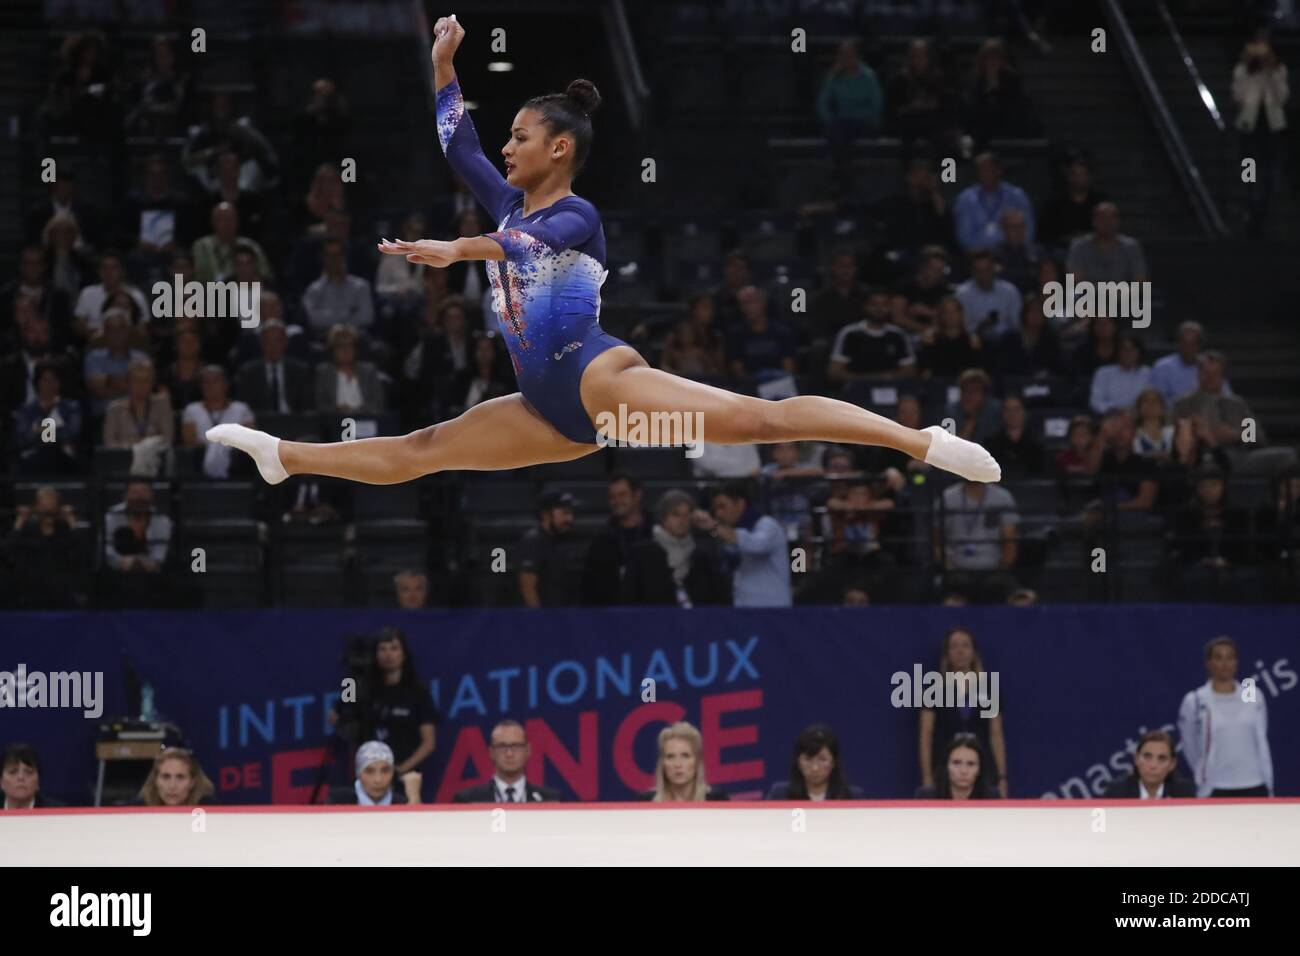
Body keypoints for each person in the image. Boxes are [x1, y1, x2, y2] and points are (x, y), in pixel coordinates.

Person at [206, 16, 1002, 492]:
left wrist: (459, 249)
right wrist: (445, 68)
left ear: (559, 147)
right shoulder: (506, 201)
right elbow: (459, 145)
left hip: (599, 376)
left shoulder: (574, 214)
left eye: (521, 137)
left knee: (760, 418)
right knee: (423, 452)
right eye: (508, 136)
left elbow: (524, 245)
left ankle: (920, 442)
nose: (507, 149)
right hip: (548, 410)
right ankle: (284, 456)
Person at [1177, 636, 1273, 797]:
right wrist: (1204, 770)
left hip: (1255, 783)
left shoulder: (1251, 693)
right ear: (1209, 663)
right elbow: (1189, 745)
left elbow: (1260, 736)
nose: (1225, 663)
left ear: (1236, 662)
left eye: (1230, 657)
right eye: (1218, 658)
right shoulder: (1195, 700)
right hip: (1214, 787)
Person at [917, 627, 1008, 794]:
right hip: (945, 769)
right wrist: (927, 778)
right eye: (954, 646)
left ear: (974, 652)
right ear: (947, 653)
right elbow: (926, 735)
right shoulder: (934, 687)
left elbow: (996, 735)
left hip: (981, 768)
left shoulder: (988, 687)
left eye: (966, 645)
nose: (960, 651)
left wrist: (1002, 777)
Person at [353, 628, 440, 777]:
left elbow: (429, 743)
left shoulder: (417, 691)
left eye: (394, 648)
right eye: (382, 649)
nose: (388, 654)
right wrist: (350, 675)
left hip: (403, 775)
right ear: (375, 655)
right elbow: (347, 709)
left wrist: (400, 769)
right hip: (367, 775)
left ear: (404, 654)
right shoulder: (364, 688)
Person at [621, 488, 729, 606]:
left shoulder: (702, 557)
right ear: (663, 518)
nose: (682, 520)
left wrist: (712, 527)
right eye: (676, 514)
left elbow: (720, 599)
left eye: (687, 515)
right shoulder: (641, 554)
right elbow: (629, 600)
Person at [695, 481, 791, 608]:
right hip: (744, 608)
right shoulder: (728, 532)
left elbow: (756, 545)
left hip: (772, 610)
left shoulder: (768, 525)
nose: (719, 514)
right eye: (716, 509)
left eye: (723, 507)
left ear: (740, 504)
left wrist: (714, 526)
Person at [1232, 34, 1289, 237]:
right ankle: (1250, 207)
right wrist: (1250, 69)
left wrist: (1271, 71)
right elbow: (1239, 96)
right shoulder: (1243, 70)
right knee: (1249, 172)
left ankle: (1262, 213)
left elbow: (1282, 97)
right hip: (1250, 129)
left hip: (1271, 129)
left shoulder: (1279, 70)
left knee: (1270, 175)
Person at [817, 39, 883, 198]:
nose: (845, 59)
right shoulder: (835, 76)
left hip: (865, 123)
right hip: (842, 124)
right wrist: (829, 119)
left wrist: (858, 118)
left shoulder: (868, 76)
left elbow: (876, 106)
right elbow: (822, 103)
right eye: (842, 55)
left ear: (857, 56)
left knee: (840, 132)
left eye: (849, 55)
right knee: (835, 130)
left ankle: (840, 178)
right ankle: (845, 180)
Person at [582, 473, 653, 605]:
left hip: (654, 613)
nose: (617, 501)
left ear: (637, 495)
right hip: (612, 616)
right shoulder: (601, 541)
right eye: (612, 497)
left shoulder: (656, 533)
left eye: (622, 495)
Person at [452, 720, 562, 803]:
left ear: (527, 751)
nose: (509, 753)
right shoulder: (468, 800)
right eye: (502, 746)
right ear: (491, 752)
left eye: (516, 746)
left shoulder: (551, 800)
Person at [517, 490, 585, 607]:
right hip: (543, 619)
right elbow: (528, 585)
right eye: (565, 513)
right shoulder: (533, 541)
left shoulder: (561, 539)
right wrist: (539, 620)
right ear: (546, 515)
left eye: (570, 514)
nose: (570, 519)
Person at [766, 724, 863, 800]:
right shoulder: (780, 795)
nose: (815, 768)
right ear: (798, 762)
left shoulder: (852, 796)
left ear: (833, 763)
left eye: (822, 759)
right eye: (808, 759)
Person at [637, 721, 729, 802]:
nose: (677, 764)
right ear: (662, 763)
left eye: (685, 756)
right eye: (670, 757)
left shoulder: (716, 800)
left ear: (697, 761)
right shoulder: (646, 802)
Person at [1102, 730, 1195, 799]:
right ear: (1136, 759)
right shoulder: (1116, 792)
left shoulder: (1184, 792)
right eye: (1147, 757)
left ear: (1172, 764)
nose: (1153, 765)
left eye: (1162, 759)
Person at [328, 741, 418, 806]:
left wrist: (414, 796)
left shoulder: (402, 803)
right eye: (369, 771)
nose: (378, 780)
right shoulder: (338, 800)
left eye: (385, 771)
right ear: (358, 773)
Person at [914, 734, 996, 799]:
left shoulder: (992, 797)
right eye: (956, 763)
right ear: (946, 766)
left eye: (971, 764)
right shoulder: (926, 796)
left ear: (979, 769)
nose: (964, 771)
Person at [133, 748, 216, 806]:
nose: (172, 786)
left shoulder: (209, 812)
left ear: (192, 782)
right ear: (155, 780)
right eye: (166, 777)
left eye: (180, 777)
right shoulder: (136, 812)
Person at [2, 744, 61, 809]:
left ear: (38, 782)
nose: (21, 777)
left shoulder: (59, 813)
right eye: (13, 772)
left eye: (28, 772)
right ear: (1, 781)